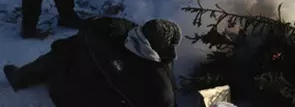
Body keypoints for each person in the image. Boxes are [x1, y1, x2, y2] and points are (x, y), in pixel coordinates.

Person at [3, 16, 181, 107]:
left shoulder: (116, 34)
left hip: (70, 91)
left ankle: (21, 77)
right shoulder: (158, 82)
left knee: (63, 53)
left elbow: (65, 46)